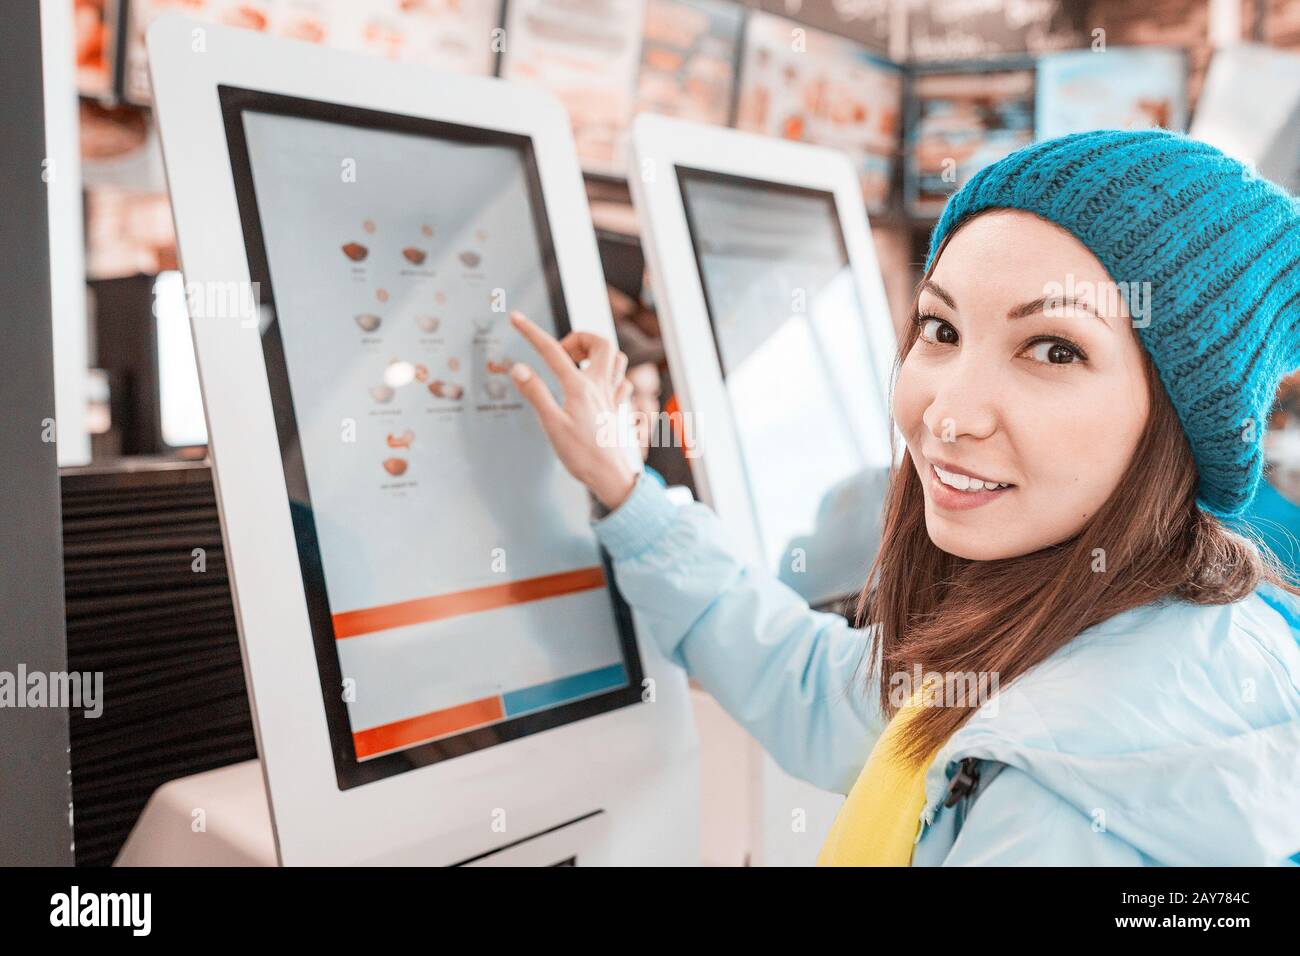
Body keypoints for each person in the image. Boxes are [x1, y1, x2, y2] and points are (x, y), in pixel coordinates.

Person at [508, 129, 1300, 866]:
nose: (949, 413)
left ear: (1182, 422)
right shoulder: (1088, 629)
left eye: (1052, 349)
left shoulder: (1062, 802)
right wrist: (624, 489)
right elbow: (823, 693)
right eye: (942, 329)